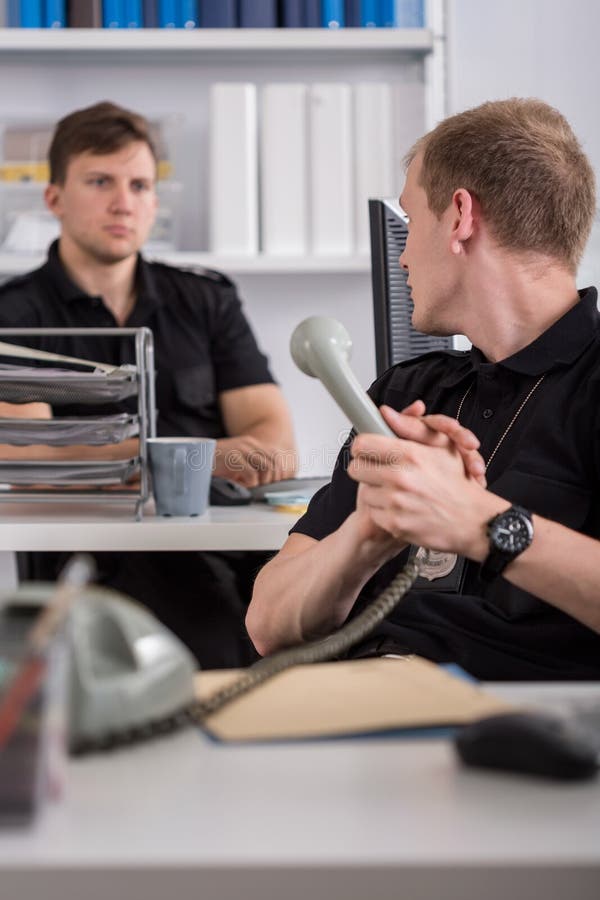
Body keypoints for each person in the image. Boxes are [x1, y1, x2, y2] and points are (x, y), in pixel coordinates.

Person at [246, 97, 600, 682]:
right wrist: (372, 530)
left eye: (411, 223)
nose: (404, 255)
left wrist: (480, 522)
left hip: (521, 728)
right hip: (368, 701)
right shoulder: (408, 393)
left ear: (459, 216)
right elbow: (268, 625)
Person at [0, 100, 297, 668]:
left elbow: (275, 446)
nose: (123, 202)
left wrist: (139, 461)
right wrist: (197, 459)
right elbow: (32, 459)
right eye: (100, 181)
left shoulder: (208, 301)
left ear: (155, 201)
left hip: (227, 549)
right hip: (90, 569)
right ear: (54, 198)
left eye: (139, 184)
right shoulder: (15, 317)